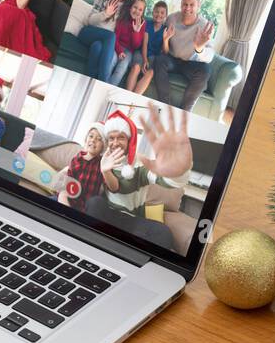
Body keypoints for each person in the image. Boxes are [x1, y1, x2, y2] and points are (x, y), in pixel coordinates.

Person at [83, 104, 193, 251]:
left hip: (131, 220)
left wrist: (178, 171)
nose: (115, 143)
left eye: (121, 137)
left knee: (162, 232)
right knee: (95, 202)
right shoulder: (101, 159)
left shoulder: (140, 163)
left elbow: (164, 181)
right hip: (105, 214)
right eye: (111, 138)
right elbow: (80, 167)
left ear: (129, 140)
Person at [153, 0, 217, 112]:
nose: (187, 8)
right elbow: (163, 44)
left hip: (191, 63)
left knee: (205, 70)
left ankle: (184, 111)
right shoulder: (171, 18)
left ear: (198, 6)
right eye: (185, 4)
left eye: (192, 5)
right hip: (172, 60)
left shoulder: (204, 25)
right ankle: (166, 107)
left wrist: (199, 49)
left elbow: (210, 57)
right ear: (181, 5)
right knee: (159, 60)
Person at [78, 0, 137, 82]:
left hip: (103, 42)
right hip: (88, 33)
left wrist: (134, 22)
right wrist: (105, 14)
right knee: (111, 35)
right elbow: (90, 21)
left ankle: (88, 82)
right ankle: (103, 81)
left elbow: (127, 31)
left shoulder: (127, 8)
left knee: (97, 47)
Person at [56, 122, 109, 212]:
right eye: (91, 136)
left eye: (99, 139)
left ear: (103, 146)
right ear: (86, 139)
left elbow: (108, 185)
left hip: (84, 207)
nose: (93, 140)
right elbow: (67, 182)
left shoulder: (102, 164)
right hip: (69, 199)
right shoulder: (77, 159)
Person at [130, 0, 169, 95]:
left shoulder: (165, 29)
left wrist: (165, 39)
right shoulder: (147, 23)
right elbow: (145, 44)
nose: (158, 14)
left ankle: (132, 99)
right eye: (156, 11)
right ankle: (128, 95)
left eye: (162, 13)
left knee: (150, 73)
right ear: (152, 12)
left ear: (165, 16)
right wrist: (144, 60)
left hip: (153, 57)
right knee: (136, 67)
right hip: (141, 52)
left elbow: (165, 52)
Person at [109, 0, 149, 88]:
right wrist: (119, 51)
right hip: (117, 46)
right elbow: (115, 37)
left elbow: (135, 46)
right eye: (135, 7)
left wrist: (136, 32)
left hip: (129, 51)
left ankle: (109, 87)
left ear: (143, 12)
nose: (137, 11)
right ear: (131, 7)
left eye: (140, 10)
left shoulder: (142, 24)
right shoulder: (122, 19)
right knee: (112, 60)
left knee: (122, 66)